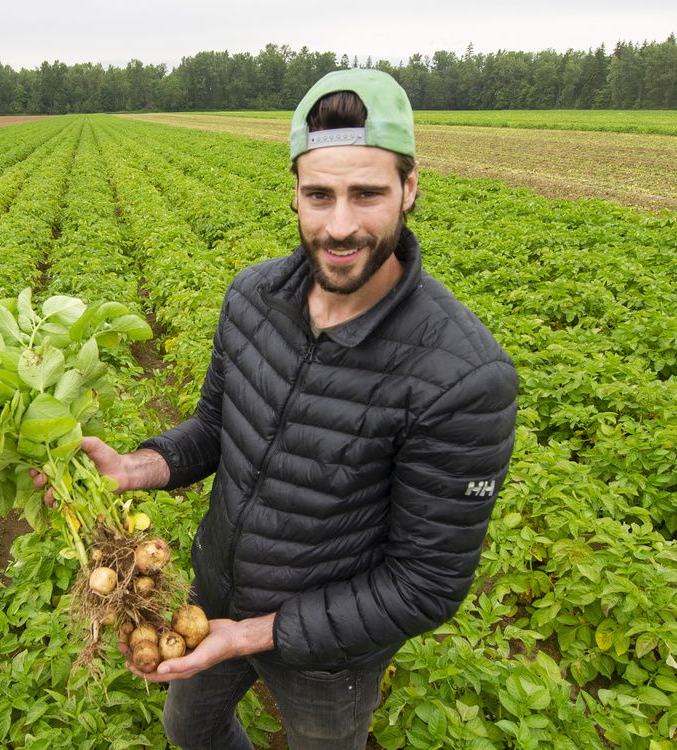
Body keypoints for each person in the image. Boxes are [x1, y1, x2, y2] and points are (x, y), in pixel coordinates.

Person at [39, 68, 518, 749]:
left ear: (410, 188)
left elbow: (425, 584)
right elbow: (214, 428)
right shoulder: (252, 297)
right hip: (215, 590)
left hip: (331, 652)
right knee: (189, 731)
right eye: (319, 195)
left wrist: (254, 637)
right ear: (293, 190)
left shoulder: (463, 377)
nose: (341, 225)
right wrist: (134, 468)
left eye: (368, 194)